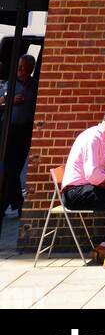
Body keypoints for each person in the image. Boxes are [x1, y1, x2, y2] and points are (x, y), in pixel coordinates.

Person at [61, 108, 105, 268]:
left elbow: (97, 170)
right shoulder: (94, 138)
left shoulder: (101, 139)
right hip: (74, 193)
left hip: (81, 188)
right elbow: (91, 174)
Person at [0, 54, 37, 215]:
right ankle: (15, 204)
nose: (19, 69)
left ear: (31, 68)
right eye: (18, 66)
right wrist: (11, 99)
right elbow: (0, 100)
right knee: (8, 168)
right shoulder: (11, 84)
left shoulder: (35, 86)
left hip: (25, 130)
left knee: (16, 168)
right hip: (9, 129)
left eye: (23, 67)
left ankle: (14, 202)